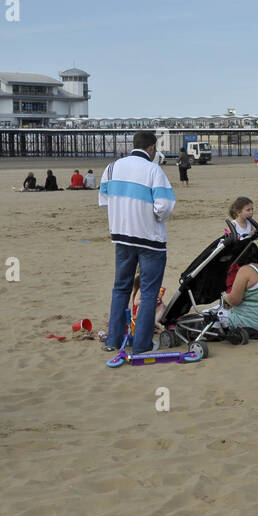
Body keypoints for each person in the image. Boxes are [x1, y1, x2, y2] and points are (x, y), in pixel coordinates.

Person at [99, 130, 176, 355]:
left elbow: (104, 201)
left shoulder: (112, 167)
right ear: (151, 148)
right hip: (150, 239)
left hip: (122, 236)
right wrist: (150, 217)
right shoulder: (154, 170)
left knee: (120, 287)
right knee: (149, 292)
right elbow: (164, 206)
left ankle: (113, 339)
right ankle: (141, 343)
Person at [217, 244, 258, 334]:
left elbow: (234, 301)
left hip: (252, 324)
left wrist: (224, 296)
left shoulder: (245, 270)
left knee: (210, 314)